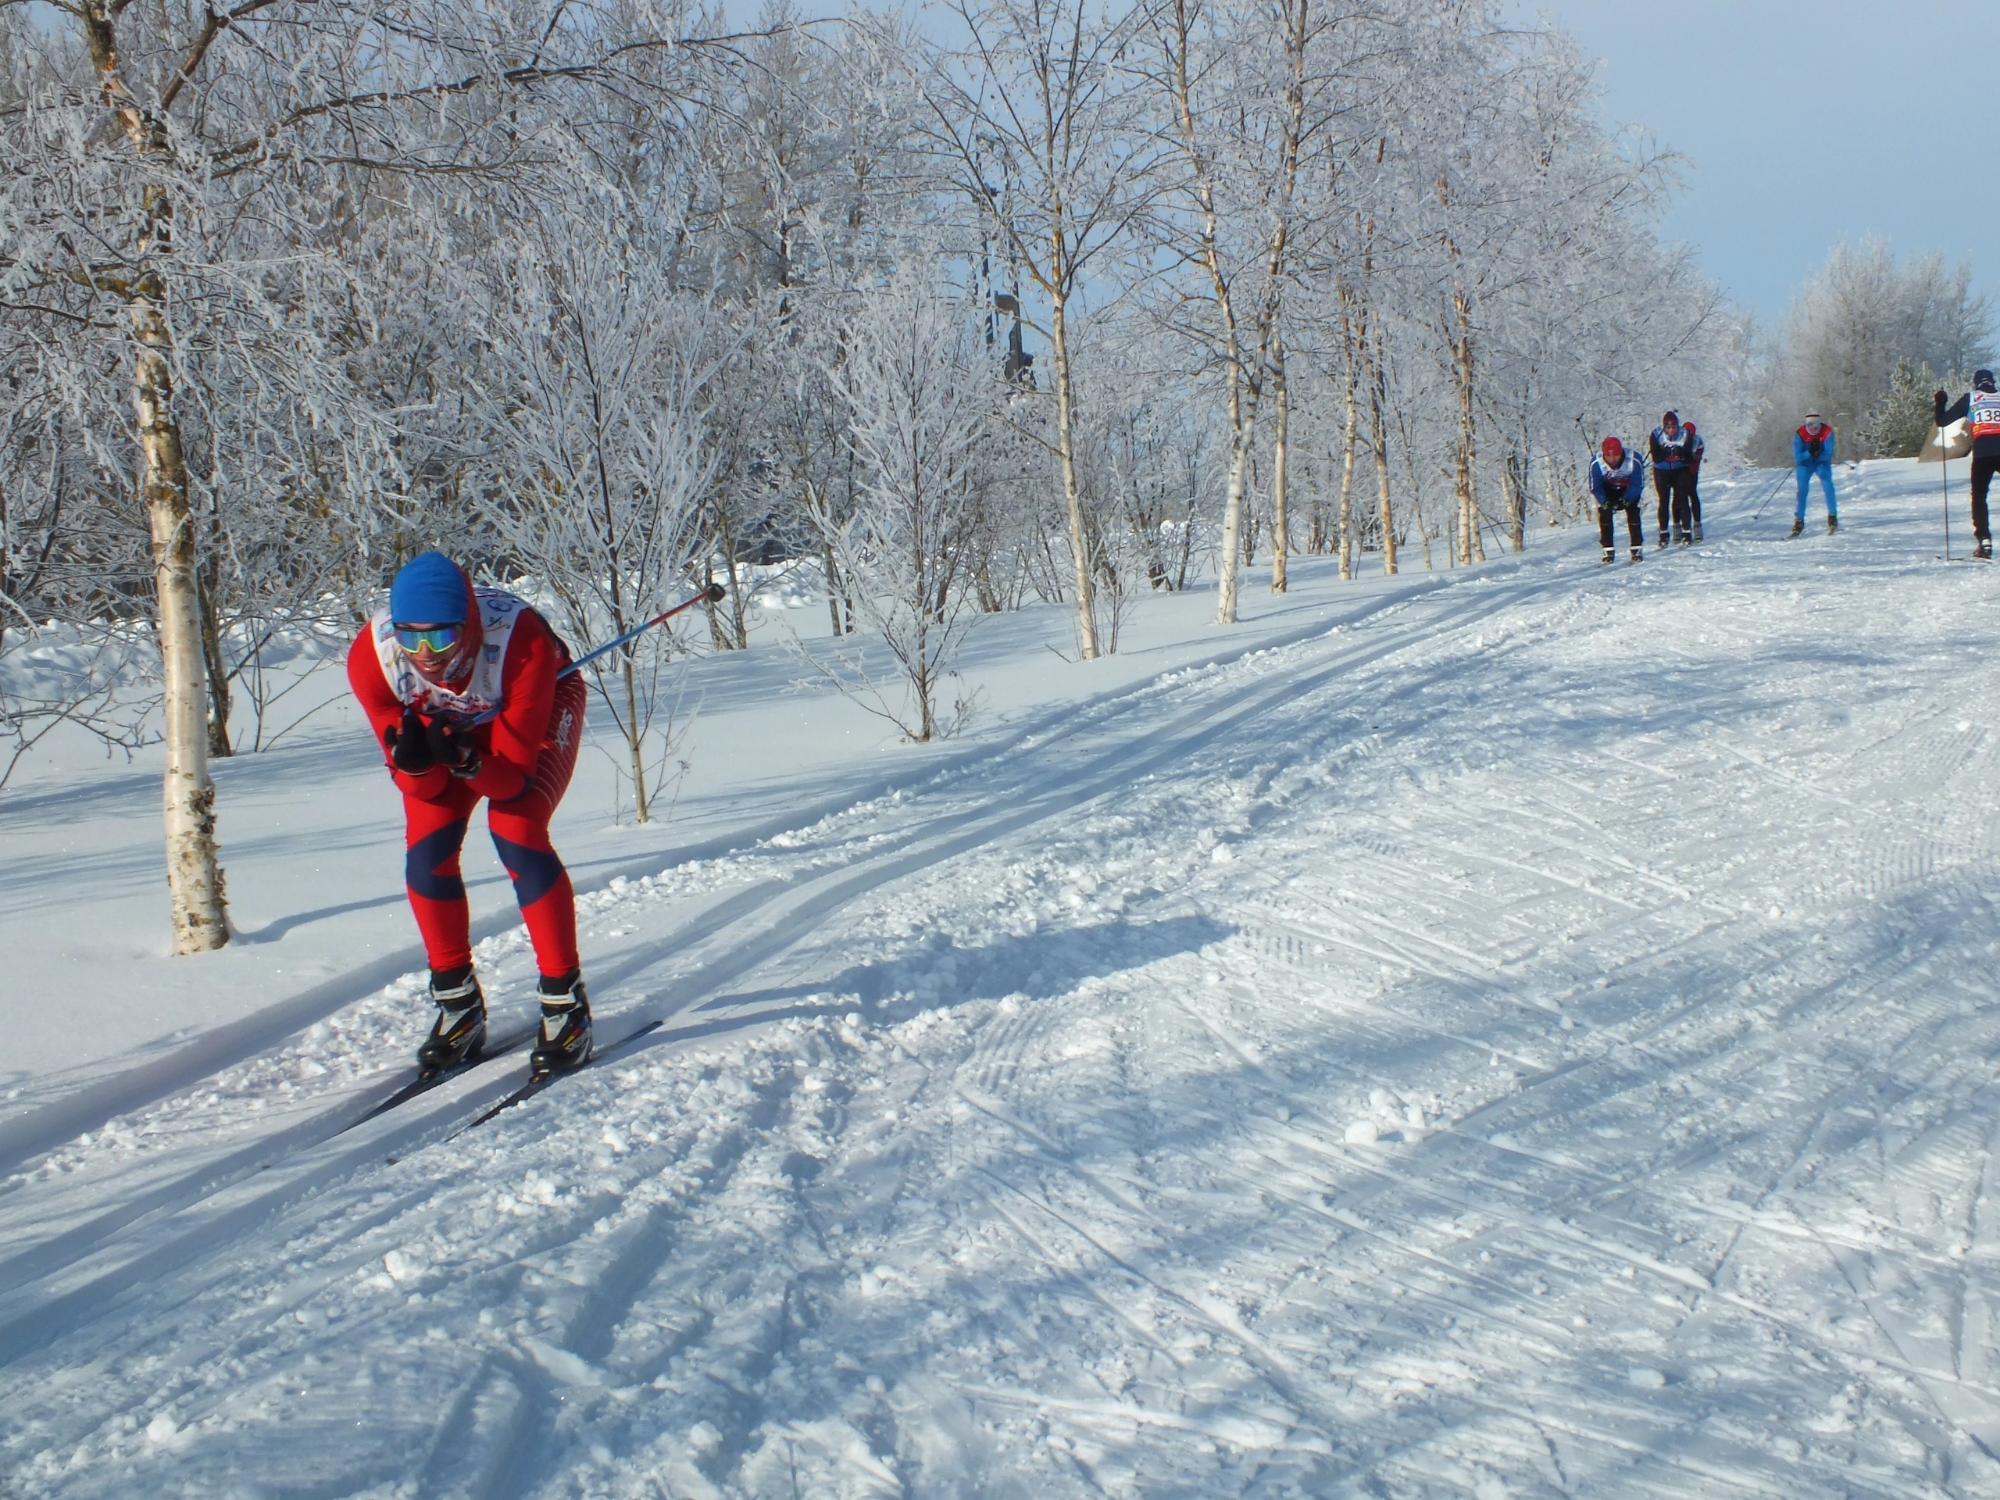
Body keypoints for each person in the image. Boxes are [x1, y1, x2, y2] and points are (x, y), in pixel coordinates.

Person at [346, 550, 593, 1080]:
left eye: (441, 637)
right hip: (447, 728)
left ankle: (565, 1003)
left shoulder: (519, 642)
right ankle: (457, 1003)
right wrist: (415, 764)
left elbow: (512, 778)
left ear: (471, 624)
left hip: (531, 713)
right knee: (427, 854)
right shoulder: (373, 659)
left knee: (516, 828)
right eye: (411, 637)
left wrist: (466, 759)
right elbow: (426, 789)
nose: (426, 654)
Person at [1934, 369, 2000, 559]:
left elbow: (1942, 421)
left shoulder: (1971, 398)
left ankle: (1984, 541)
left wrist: (1941, 401)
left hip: (1982, 454)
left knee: (1979, 496)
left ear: (1976, 383)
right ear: (1993, 383)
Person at [1588, 436, 1645, 564]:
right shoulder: (1596, 463)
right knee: (1604, 513)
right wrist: (1604, 501)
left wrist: (1626, 500)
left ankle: (1636, 547)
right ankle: (1607, 549)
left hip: (1628, 488)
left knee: (1633, 512)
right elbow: (1595, 487)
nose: (1612, 460)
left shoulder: (1634, 459)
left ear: (1621, 453)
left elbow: (1638, 484)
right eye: (1608, 456)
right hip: (1608, 489)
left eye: (1616, 456)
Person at [1648, 410, 1699, 547]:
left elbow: (1689, 456)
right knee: (1663, 501)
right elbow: (1655, 456)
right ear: (1664, 427)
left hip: (1679, 469)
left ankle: (1686, 531)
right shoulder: (1656, 434)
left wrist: (1680, 455)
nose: (1671, 431)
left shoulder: (1684, 434)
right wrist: (1666, 454)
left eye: (1674, 427)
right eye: (1668, 428)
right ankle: (1663, 533)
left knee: (1682, 499)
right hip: (1662, 471)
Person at [1791, 411, 1839, 536]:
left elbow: (1828, 452)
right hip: (1805, 464)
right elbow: (1798, 457)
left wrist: (1818, 454)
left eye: (1817, 423)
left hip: (1821, 462)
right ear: (1806, 424)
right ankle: (1799, 520)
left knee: (1828, 486)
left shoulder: (1827, 431)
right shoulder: (1800, 434)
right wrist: (1809, 453)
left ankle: (1832, 516)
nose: (1815, 427)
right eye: (1811, 424)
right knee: (1802, 490)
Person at [1683, 420, 1705, 542]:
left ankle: (1696, 524)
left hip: (1691, 471)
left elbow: (1697, 457)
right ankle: (1687, 525)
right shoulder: (1680, 439)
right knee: (1684, 497)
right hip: (1683, 471)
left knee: (1691, 495)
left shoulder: (1697, 441)